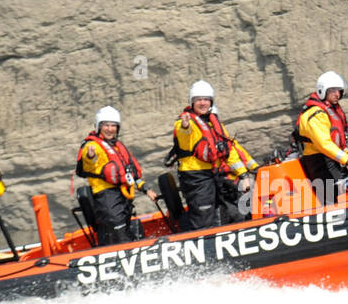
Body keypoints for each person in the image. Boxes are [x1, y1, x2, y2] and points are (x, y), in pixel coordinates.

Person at [172, 81, 257, 229]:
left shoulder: (215, 123)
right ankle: (204, 245)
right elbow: (184, 136)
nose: (203, 103)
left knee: (221, 213)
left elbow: (229, 151)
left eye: (206, 99)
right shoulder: (185, 122)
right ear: (192, 102)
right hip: (195, 178)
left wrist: (243, 175)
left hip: (212, 176)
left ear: (211, 101)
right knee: (204, 218)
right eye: (199, 99)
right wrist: (185, 126)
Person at [295, 71, 348, 205]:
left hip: (332, 160)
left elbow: (342, 129)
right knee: (338, 196)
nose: (337, 94)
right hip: (320, 162)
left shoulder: (330, 110)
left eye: (339, 91)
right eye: (333, 90)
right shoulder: (316, 114)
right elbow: (324, 144)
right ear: (323, 90)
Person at [76, 106, 158, 244]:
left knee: (125, 228)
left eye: (113, 126)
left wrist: (146, 189)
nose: (110, 129)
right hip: (106, 197)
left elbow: (131, 174)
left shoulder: (118, 147)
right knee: (117, 230)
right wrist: (90, 156)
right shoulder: (92, 146)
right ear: (99, 127)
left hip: (122, 197)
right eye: (106, 125)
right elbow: (88, 160)